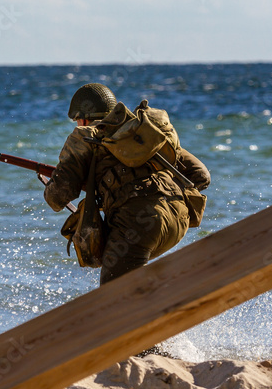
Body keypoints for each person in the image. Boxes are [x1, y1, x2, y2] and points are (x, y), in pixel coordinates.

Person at [44, 83, 210, 285]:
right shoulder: (142, 134)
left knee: (113, 298)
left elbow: (57, 197)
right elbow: (201, 175)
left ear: (83, 118)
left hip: (138, 224)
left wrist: (55, 180)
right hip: (179, 217)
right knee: (133, 290)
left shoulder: (84, 136)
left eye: (77, 120)